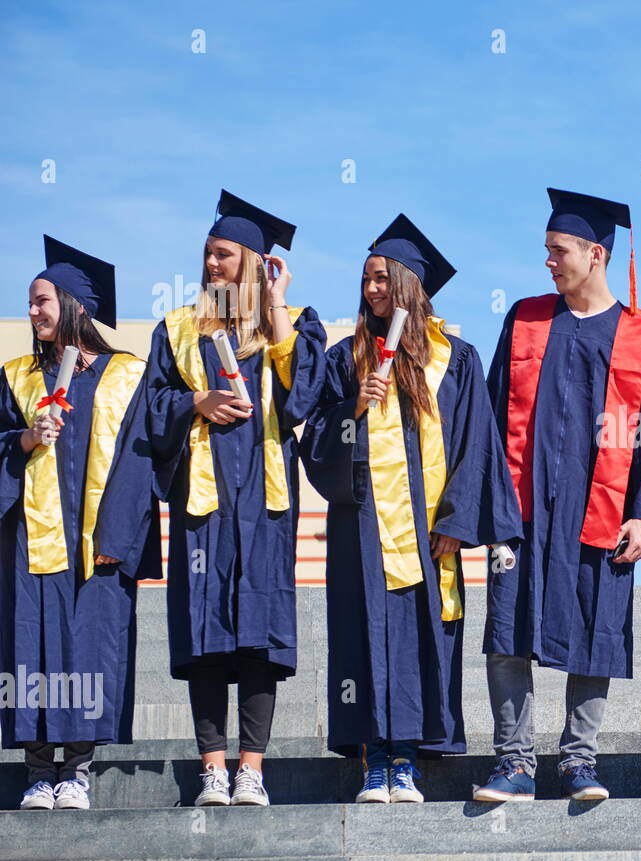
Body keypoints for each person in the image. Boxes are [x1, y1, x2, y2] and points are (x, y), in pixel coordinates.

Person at [301, 214, 522, 804]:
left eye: (381, 279)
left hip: (430, 534)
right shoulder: (346, 358)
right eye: (366, 280)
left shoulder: (457, 359)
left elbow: (478, 446)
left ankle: (409, 761)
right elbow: (315, 436)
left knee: (422, 637)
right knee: (361, 634)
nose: (372, 290)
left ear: (407, 285)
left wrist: (456, 520)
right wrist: (353, 404)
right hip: (364, 528)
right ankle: (374, 761)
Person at [476, 188, 641, 802]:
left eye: (557, 251)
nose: (548, 262)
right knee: (509, 630)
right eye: (545, 251)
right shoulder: (526, 319)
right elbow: (489, 417)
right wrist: (486, 506)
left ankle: (578, 761)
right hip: (523, 508)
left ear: (595, 253)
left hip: (601, 509)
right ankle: (514, 763)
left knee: (596, 624)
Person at [146, 191, 326, 807]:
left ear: (255, 262)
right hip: (203, 503)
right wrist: (196, 402)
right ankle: (212, 769)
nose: (212, 264)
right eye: (207, 254)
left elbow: (303, 400)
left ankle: (251, 768)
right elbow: (150, 409)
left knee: (258, 634)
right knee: (204, 637)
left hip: (266, 503)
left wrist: (274, 307)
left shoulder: (296, 321)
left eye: (224, 254)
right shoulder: (176, 329)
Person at [1, 237, 160, 811]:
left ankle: (78, 769)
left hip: (101, 538)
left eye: (42, 301)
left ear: (75, 305)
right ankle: (40, 771)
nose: (33, 312)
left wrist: (120, 534)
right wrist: (24, 438)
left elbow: (142, 459)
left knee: (92, 648)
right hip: (32, 541)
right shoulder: (17, 376)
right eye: (29, 303)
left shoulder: (128, 376)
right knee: (33, 648)